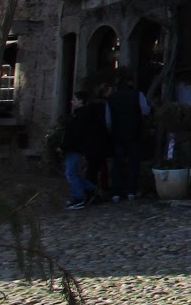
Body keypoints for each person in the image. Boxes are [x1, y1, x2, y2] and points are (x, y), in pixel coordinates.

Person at [62, 85, 110, 209]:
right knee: (74, 173)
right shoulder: (80, 114)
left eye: (74, 99)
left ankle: (79, 198)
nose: (72, 101)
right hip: (77, 147)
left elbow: (76, 133)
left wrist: (64, 145)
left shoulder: (82, 115)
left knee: (71, 173)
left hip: (76, 147)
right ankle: (92, 190)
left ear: (81, 101)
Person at [105, 69, 148, 201]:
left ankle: (116, 192)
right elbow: (145, 111)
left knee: (118, 163)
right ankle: (131, 191)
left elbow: (108, 120)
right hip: (134, 133)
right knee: (133, 162)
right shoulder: (138, 95)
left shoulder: (112, 98)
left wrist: (113, 130)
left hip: (117, 134)